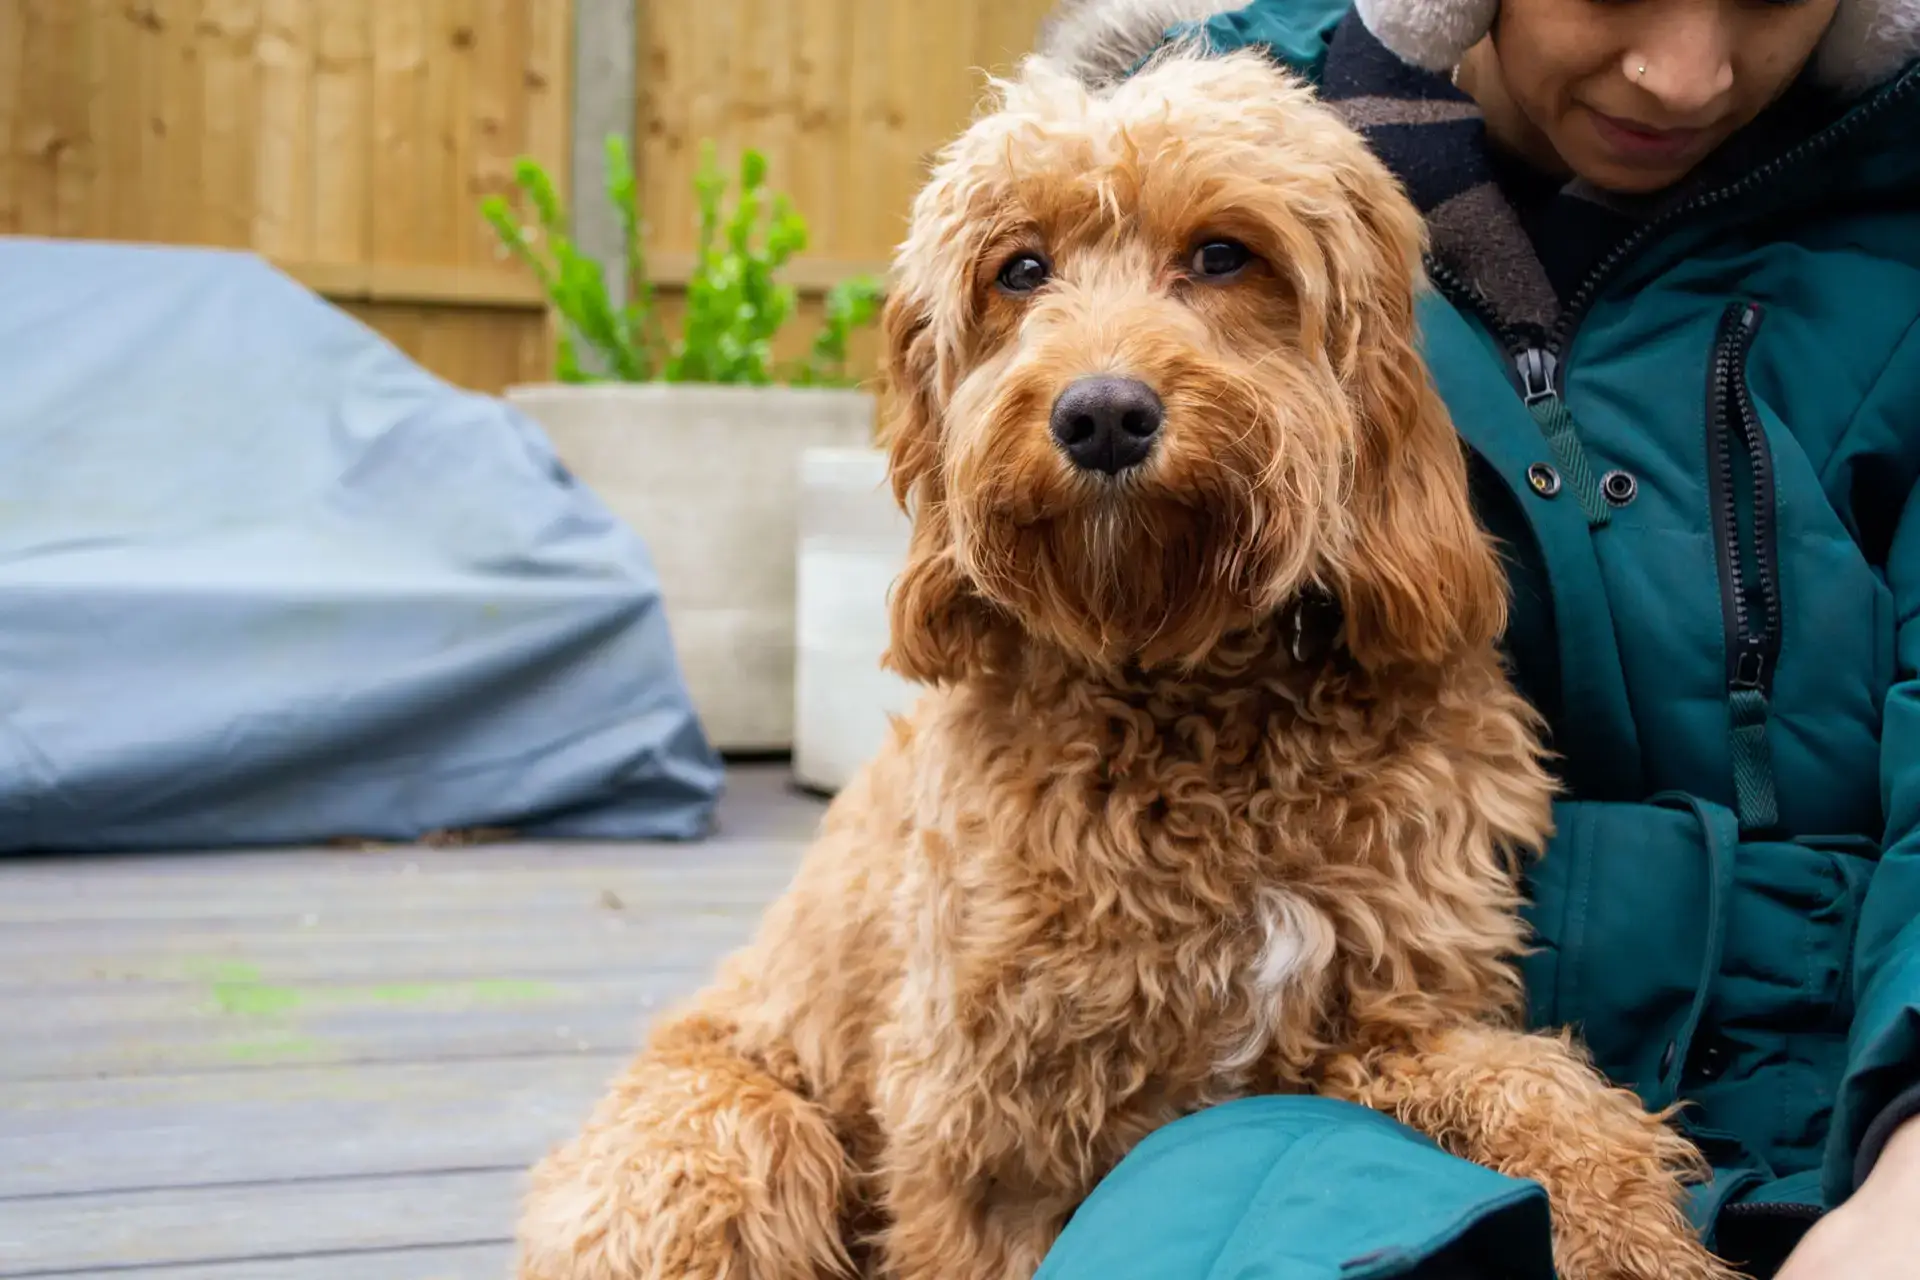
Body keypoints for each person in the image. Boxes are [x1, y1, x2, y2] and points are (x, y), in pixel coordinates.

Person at [1028, 1, 1920, 1278]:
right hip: (1321, 1132)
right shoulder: (1167, 216)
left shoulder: (1899, 277)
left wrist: (1907, 1182)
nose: (1684, 75)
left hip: (1842, 1144)